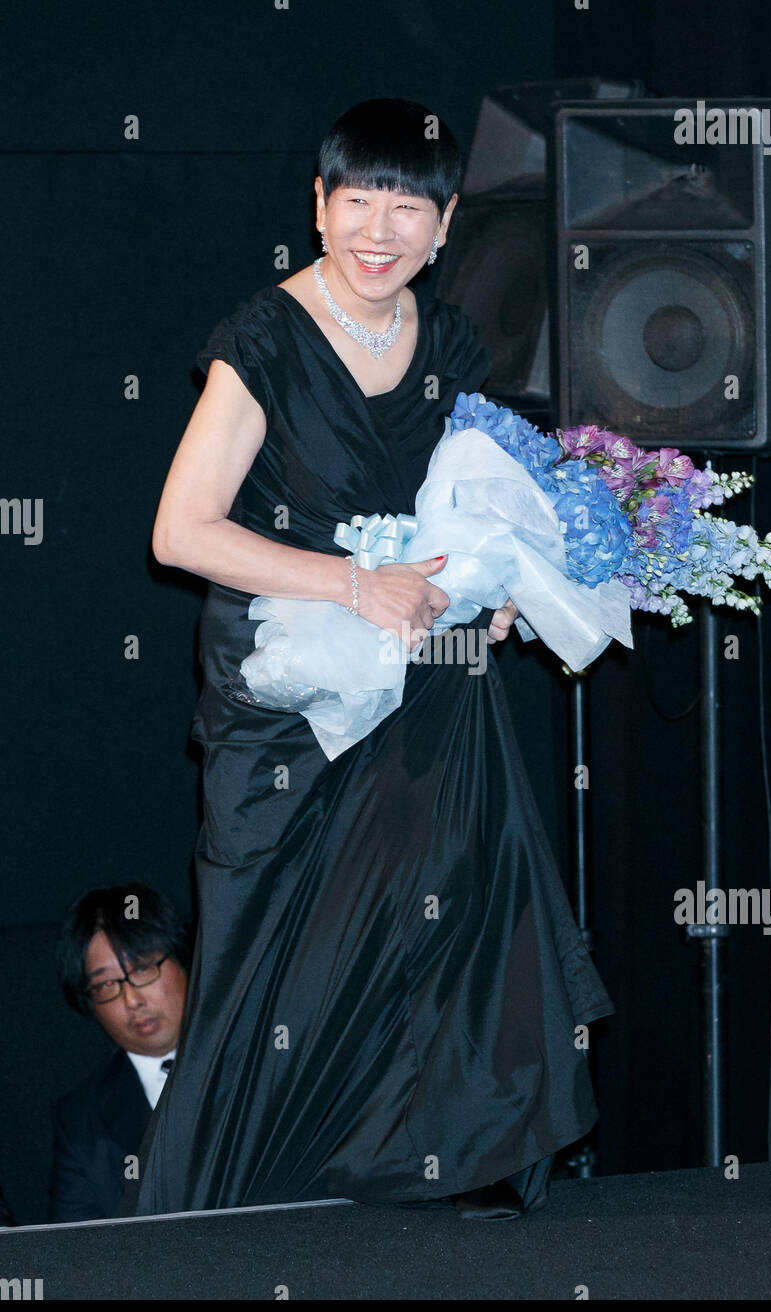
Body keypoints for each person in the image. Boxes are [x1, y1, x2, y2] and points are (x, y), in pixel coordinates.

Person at [122, 97, 614, 1223]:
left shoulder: (447, 343)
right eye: (357, 200)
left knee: (443, 920)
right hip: (287, 707)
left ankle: (421, 1189)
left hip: (425, 691)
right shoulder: (261, 339)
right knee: (275, 975)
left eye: (409, 204)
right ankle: (227, 1236)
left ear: (444, 226)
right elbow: (181, 532)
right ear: (318, 205)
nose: (379, 228)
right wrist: (352, 582)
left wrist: (483, 598)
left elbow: (451, 517)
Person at [49, 883, 191, 1222]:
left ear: (187, 961)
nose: (131, 1000)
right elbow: (74, 1250)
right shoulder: (80, 1119)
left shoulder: (265, 1070)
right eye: (106, 985)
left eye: (142, 968)